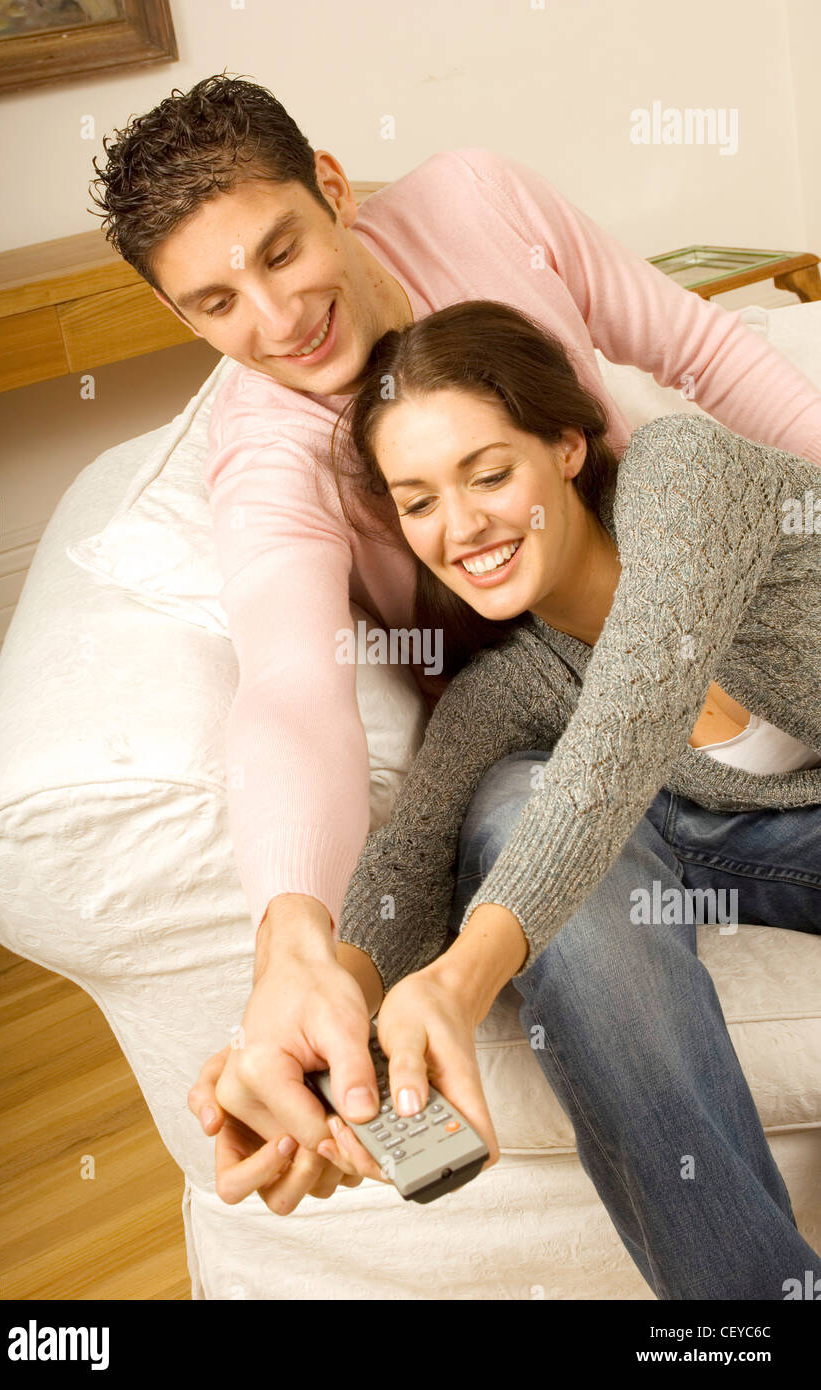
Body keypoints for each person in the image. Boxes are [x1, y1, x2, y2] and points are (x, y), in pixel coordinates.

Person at [90, 72, 821, 1218]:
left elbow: (704, 354)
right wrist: (304, 961)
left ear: (331, 187)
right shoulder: (274, 460)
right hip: (559, 723)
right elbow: (293, 688)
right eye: (213, 304)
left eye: (279, 252)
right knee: (518, 817)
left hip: (669, 669)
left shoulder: (491, 218)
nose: (274, 323)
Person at [322, 299, 821, 1299]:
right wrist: (322, 1019)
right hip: (718, 847)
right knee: (509, 801)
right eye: (416, 501)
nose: (459, 528)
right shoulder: (506, 685)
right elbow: (409, 857)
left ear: (565, 445)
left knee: (559, 786)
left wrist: (464, 974)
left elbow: (629, 716)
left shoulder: (685, 478)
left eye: (489, 474)